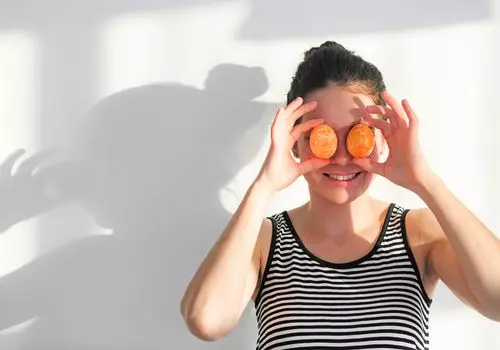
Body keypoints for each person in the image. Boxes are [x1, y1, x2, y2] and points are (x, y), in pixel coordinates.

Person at [180, 41, 500, 350]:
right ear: (295, 142)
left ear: (383, 139)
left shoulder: (419, 234)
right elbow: (207, 321)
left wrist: (426, 181)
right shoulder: (263, 240)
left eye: (358, 136)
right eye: (324, 137)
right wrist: (263, 185)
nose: (343, 158)